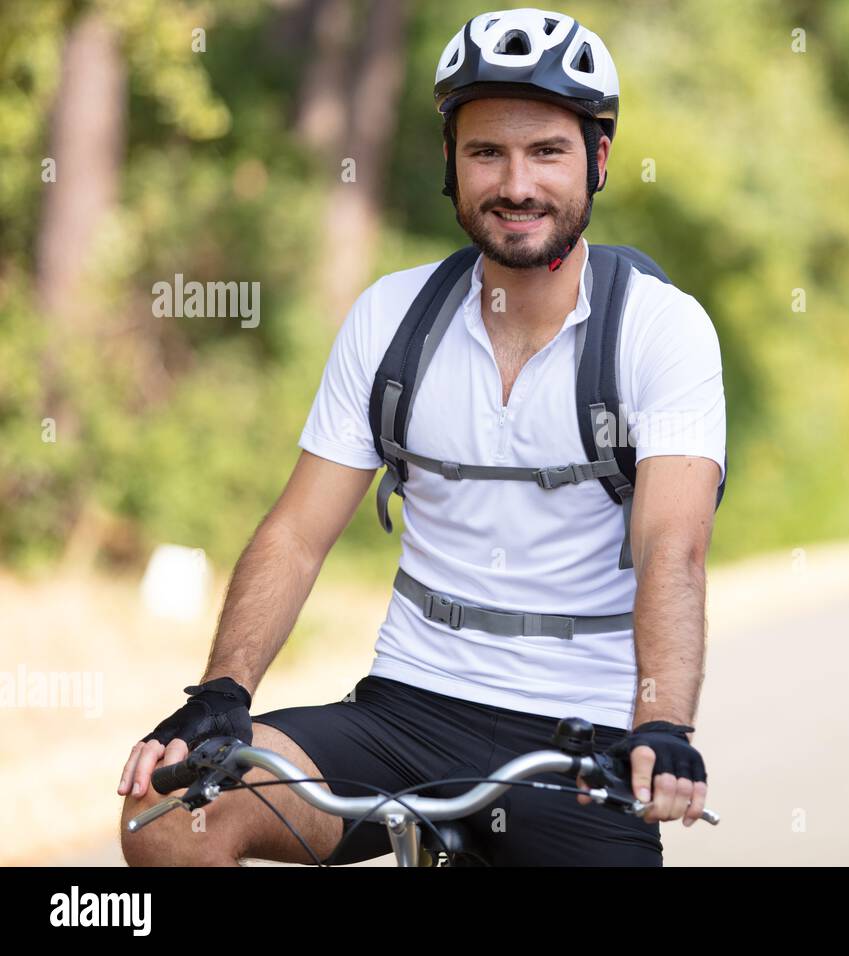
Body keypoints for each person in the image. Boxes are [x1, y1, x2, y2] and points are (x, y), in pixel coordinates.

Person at [119, 8, 726, 866]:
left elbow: (674, 547)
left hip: (579, 744)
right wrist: (222, 693)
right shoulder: (392, 318)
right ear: (450, 161)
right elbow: (297, 534)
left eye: (547, 152)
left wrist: (661, 725)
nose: (517, 184)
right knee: (169, 817)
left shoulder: (662, 332)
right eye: (487, 153)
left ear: (597, 159)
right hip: (407, 713)